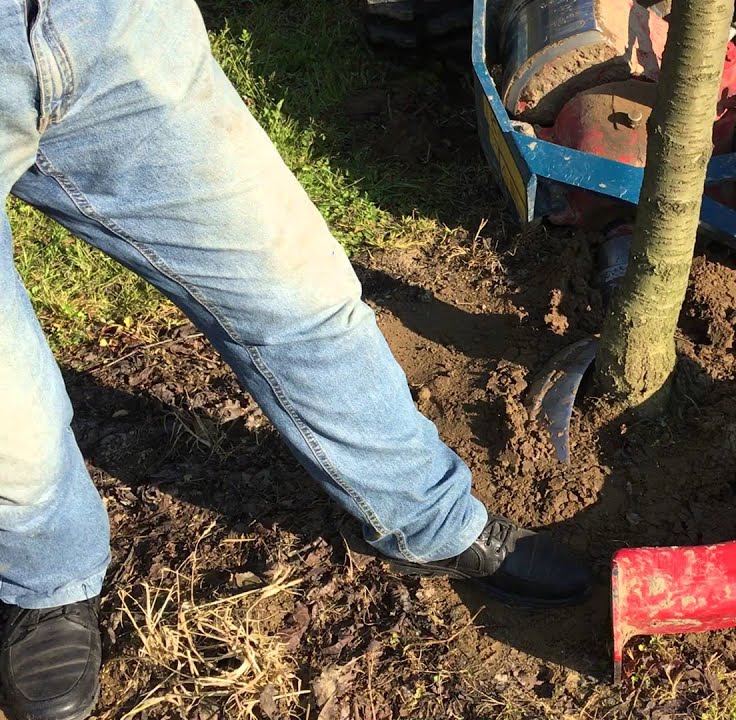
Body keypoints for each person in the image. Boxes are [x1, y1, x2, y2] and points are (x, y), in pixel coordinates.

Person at [0, 1, 592, 718]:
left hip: (109, 27)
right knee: (15, 427)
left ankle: (425, 521)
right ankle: (47, 580)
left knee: (298, 290)